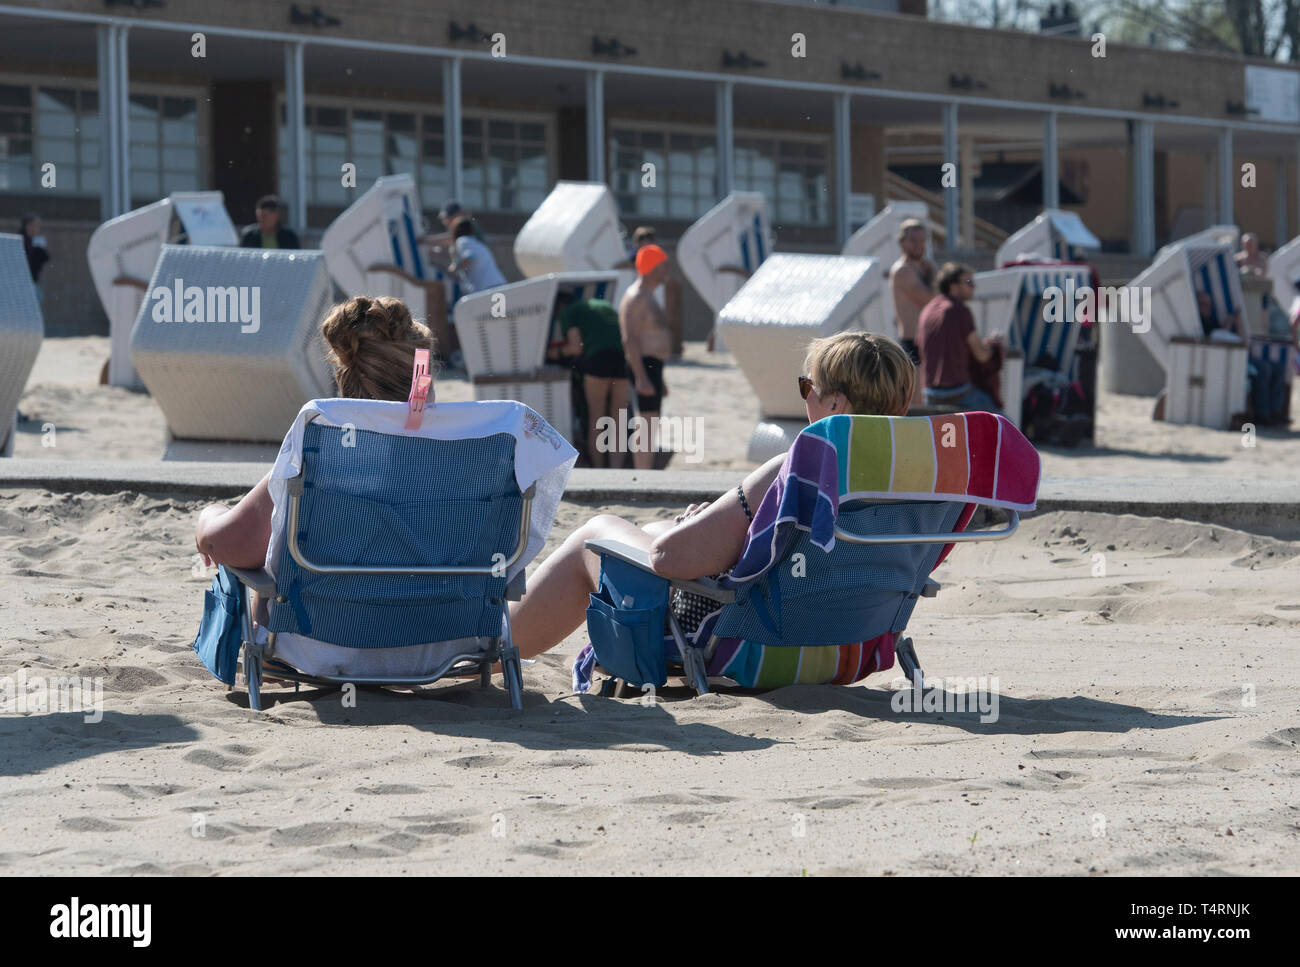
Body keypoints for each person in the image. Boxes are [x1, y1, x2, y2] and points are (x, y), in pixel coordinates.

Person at [507, 331, 916, 660]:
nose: (805, 395)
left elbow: (670, 559)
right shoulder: (914, 479)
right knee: (655, 526)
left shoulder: (796, 468)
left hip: (751, 643)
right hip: (850, 646)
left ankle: (494, 650)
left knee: (596, 533)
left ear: (835, 402)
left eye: (807, 385)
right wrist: (698, 526)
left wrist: (693, 533)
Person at [193, 296, 442, 677]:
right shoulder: (472, 449)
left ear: (344, 374)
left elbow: (228, 545)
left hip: (322, 649)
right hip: (440, 650)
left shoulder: (319, 447)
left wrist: (208, 518)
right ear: (423, 378)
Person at [558, 293, 630, 468]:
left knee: (596, 418)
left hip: (597, 361)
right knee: (618, 420)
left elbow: (576, 347)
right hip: (622, 359)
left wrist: (555, 353)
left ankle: (598, 470)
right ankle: (616, 470)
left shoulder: (567, 312)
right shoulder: (602, 304)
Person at [917, 262, 1000, 413]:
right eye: (968, 282)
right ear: (953, 286)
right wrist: (995, 345)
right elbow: (982, 355)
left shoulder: (928, 310)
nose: (973, 286)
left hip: (929, 394)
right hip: (957, 394)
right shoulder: (959, 310)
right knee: (1004, 425)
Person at [619, 244, 672, 469]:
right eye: (661, 266)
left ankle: (645, 470)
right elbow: (629, 339)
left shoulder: (649, 295)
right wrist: (641, 376)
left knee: (651, 423)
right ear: (650, 267)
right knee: (647, 423)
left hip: (653, 365)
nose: (666, 271)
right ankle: (642, 474)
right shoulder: (636, 297)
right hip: (644, 365)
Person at [888, 218, 935, 406]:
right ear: (902, 242)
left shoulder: (921, 268)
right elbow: (930, 299)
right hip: (911, 342)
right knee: (915, 404)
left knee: (927, 402)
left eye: (922, 241)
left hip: (927, 342)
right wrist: (935, 275)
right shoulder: (903, 271)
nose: (919, 246)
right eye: (913, 241)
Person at [447, 215, 506, 295]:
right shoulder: (477, 243)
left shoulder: (462, 241)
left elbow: (469, 259)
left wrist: (455, 268)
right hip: (500, 285)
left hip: (488, 288)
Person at [20, 213, 49, 295]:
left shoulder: (31, 241)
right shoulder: (22, 241)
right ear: (28, 225)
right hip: (24, 281)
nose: (38, 229)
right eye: (36, 225)